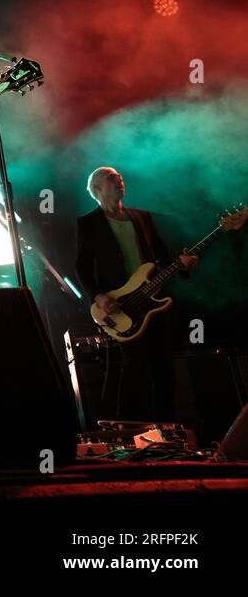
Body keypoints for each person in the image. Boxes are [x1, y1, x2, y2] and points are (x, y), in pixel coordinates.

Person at [76, 166, 196, 423]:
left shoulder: (142, 217)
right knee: (134, 369)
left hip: (153, 300)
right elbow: (82, 267)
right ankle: (125, 430)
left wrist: (182, 266)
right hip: (122, 305)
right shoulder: (89, 223)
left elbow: (162, 259)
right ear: (97, 189)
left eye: (120, 177)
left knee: (164, 370)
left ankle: (168, 430)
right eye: (111, 178)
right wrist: (97, 296)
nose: (119, 180)